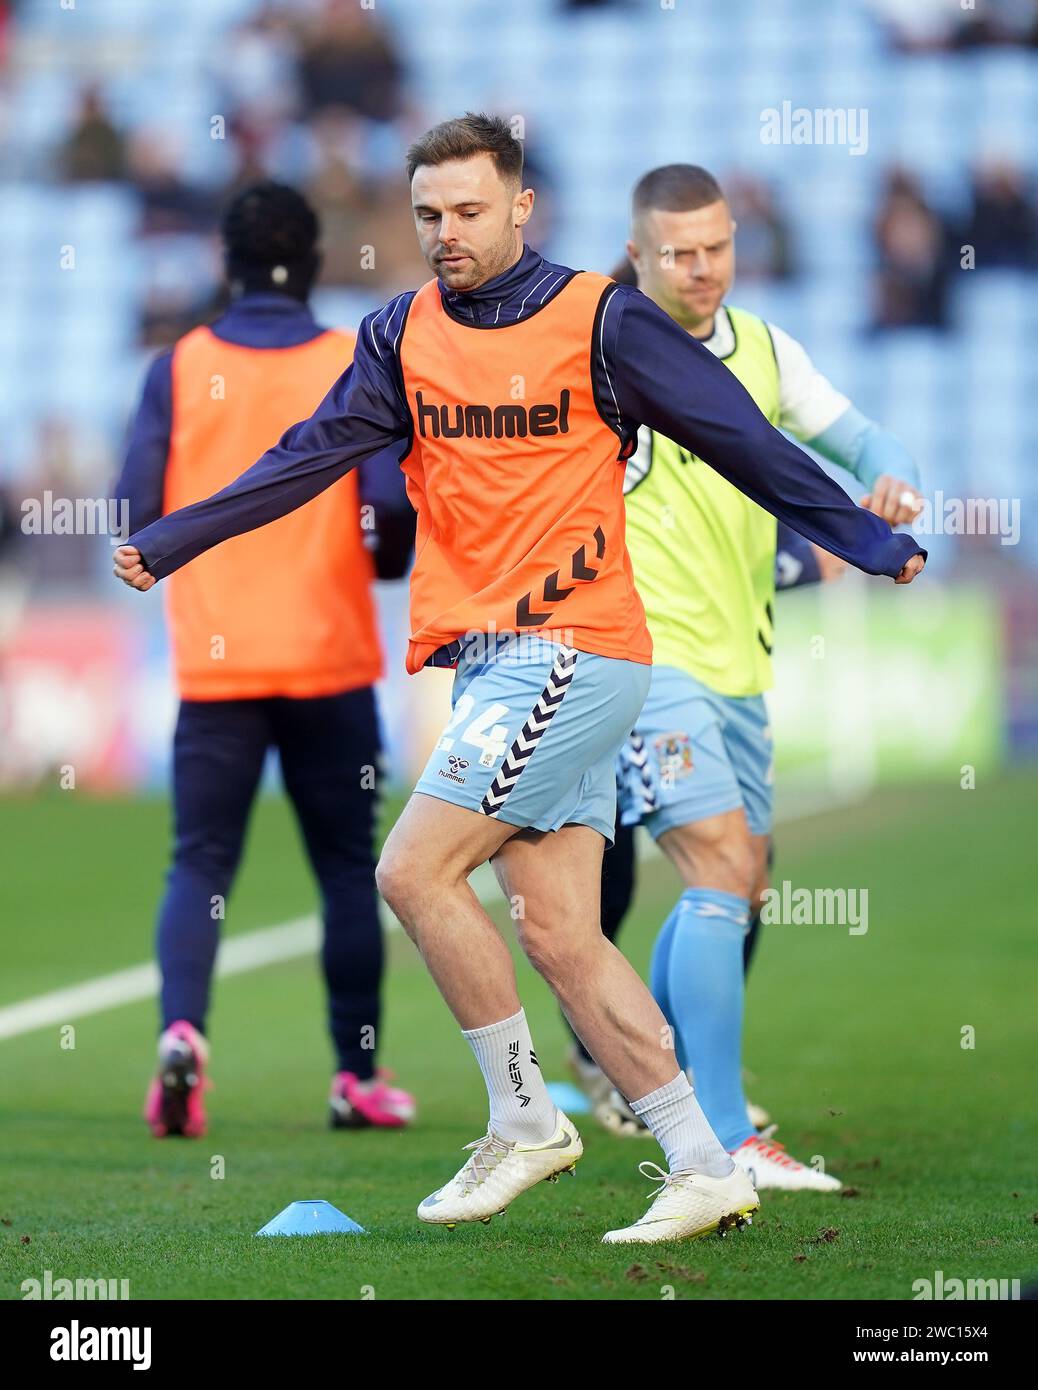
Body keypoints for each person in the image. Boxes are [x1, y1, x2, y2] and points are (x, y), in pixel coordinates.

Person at [114, 114, 924, 1246]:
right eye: (429, 215)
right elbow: (306, 456)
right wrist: (179, 534)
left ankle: (526, 1118)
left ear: (521, 205)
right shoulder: (400, 335)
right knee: (559, 932)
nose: (447, 233)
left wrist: (870, 538)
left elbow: (740, 433)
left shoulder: (600, 319)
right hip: (500, 661)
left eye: (469, 211)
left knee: (412, 869)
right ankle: (702, 1161)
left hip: (573, 649)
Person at [570, 166, 922, 1193]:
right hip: (645, 659)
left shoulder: (766, 348)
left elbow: (861, 438)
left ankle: (655, 1073)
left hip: (739, 664)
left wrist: (888, 476)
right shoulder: (602, 359)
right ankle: (724, 1140)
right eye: (678, 252)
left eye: (716, 246)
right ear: (637, 254)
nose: (702, 268)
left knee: (742, 878)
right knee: (720, 865)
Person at [114, 181, 416, 1138]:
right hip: (330, 661)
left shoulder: (178, 366)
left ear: (224, 261)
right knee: (344, 873)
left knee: (199, 863)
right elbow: (392, 515)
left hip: (217, 668)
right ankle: (355, 1078)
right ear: (316, 260)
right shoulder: (350, 359)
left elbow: (134, 516)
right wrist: (382, 558)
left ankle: (183, 1033)